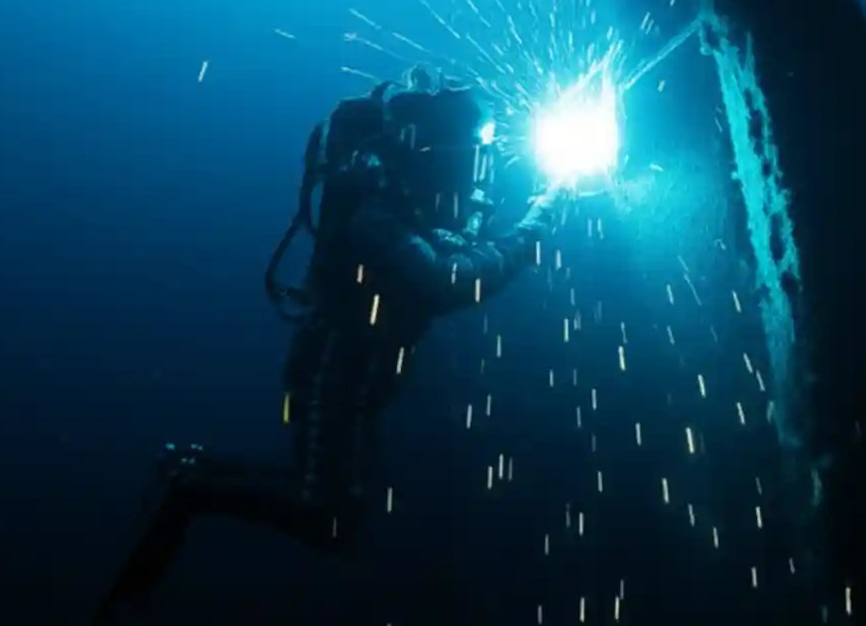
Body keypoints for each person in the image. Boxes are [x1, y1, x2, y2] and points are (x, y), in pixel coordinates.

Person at [95, 67, 566, 620]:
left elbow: (453, 245)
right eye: (474, 147)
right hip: (334, 375)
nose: (479, 162)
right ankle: (188, 488)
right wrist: (534, 226)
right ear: (437, 146)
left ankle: (190, 478)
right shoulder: (374, 207)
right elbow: (449, 280)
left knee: (334, 506)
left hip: (357, 379)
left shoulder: (409, 196)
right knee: (329, 518)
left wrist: (534, 204)